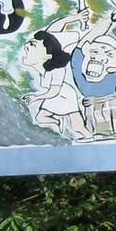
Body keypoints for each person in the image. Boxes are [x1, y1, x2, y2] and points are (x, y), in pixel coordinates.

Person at [20, 11, 91, 139]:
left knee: (78, 126)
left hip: (65, 96)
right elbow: (56, 26)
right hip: (54, 95)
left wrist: (36, 97)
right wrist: (77, 17)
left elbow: (54, 91)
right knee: (41, 118)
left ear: (47, 55)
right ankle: (59, 122)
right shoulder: (47, 55)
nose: (26, 46)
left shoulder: (57, 70)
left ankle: (89, 137)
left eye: (32, 44)